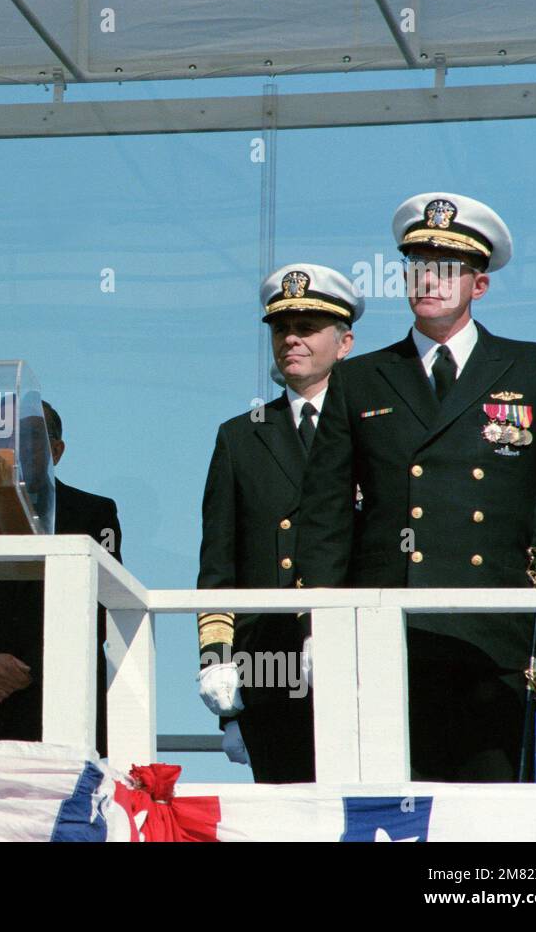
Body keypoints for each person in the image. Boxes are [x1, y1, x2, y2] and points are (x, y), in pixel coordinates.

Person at [294, 192, 536, 782]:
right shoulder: (359, 379)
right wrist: (319, 620)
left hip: (493, 630)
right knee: (382, 805)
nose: (428, 280)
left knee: (486, 818)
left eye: (447, 268)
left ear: (478, 286)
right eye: (417, 266)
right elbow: (325, 515)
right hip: (387, 628)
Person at [196, 264, 362, 783]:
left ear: (344, 343)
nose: (291, 339)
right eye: (280, 329)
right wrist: (216, 660)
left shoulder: (375, 428)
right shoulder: (241, 437)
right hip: (268, 662)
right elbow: (220, 561)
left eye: (307, 328)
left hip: (359, 650)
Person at [0, 401, 122, 755]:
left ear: (57, 450)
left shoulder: (93, 513)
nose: (16, 444)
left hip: (59, 699)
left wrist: (26, 669)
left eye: (30, 436)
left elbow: (100, 605)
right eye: (5, 434)